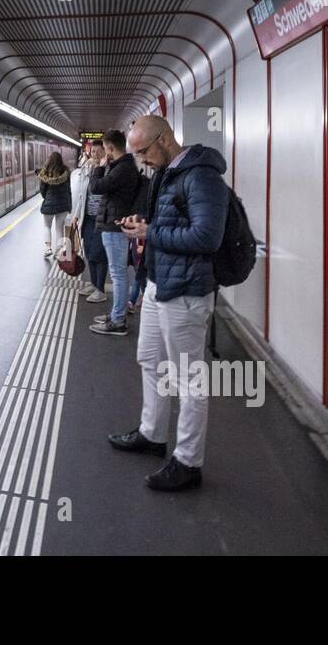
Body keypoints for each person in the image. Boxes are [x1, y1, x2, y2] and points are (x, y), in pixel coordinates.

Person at [109, 114, 229, 493]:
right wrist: (142, 224)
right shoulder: (166, 173)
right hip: (159, 283)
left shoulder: (202, 176)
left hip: (187, 291)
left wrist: (151, 231)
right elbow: (168, 223)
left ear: (163, 140)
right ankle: (152, 433)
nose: (141, 159)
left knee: (189, 379)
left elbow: (207, 237)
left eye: (143, 151)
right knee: (149, 359)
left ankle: (188, 461)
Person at [86, 128, 145, 336]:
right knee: (117, 273)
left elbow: (96, 187)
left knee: (118, 274)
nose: (103, 152)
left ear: (110, 147)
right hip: (114, 223)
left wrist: (99, 168)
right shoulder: (123, 166)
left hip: (115, 226)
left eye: (103, 148)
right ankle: (115, 313)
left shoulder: (122, 168)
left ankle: (118, 320)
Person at [70, 144, 108, 303]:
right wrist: (76, 215)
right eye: (93, 151)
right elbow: (81, 195)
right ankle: (93, 284)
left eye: (100, 151)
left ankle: (101, 289)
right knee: (90, 253)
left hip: (102, 219)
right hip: (88, 218)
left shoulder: (109, 170)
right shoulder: (87, 170)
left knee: (100, 254)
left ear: (105, 152)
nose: (96, 154)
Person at [36, 151, 72, 258]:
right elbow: (68, 189)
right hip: (63, 205)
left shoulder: (45, 172)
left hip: (49, 205)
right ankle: (59, 252)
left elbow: (42, 190)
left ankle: (48, 249)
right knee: (59, 228)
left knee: (47, 226)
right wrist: (69, 205)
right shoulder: (66, 172)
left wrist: (47, 199)